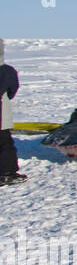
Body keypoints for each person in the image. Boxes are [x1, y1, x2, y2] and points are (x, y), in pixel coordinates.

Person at [0, 40, 24, 186]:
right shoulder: (6, 71)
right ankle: (6, 173)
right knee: (4, 144)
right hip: (1, 116)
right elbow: (12, 91)